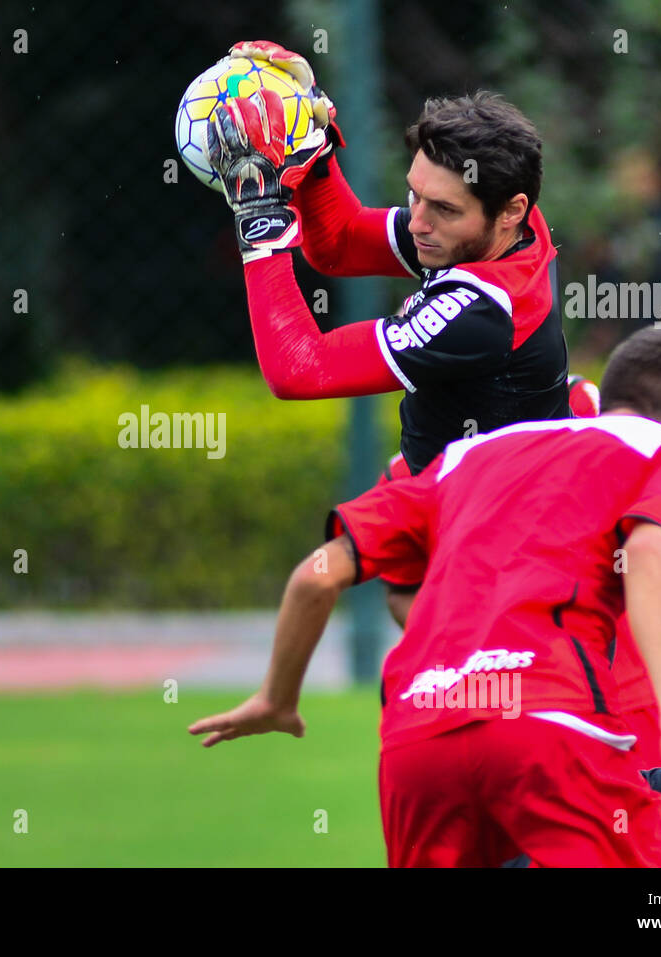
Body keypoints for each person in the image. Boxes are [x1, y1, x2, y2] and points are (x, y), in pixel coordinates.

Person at [190, 326, 661, 866]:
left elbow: (316, 574)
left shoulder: (455, 462)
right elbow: (648, 553)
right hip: (553, 718)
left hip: (419, 736)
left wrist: (276, 698)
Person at [207, 40, 567, 628]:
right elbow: (341, 241)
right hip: (448, 490)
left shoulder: (483, 310)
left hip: (493, 542)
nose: (418, 222)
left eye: (443, 210)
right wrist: (310, 128)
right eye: (413, 195)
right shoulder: (501, 227)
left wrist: (260, 224)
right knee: (398, 602)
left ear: (511, 209)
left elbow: (299, 369)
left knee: (446, 678)